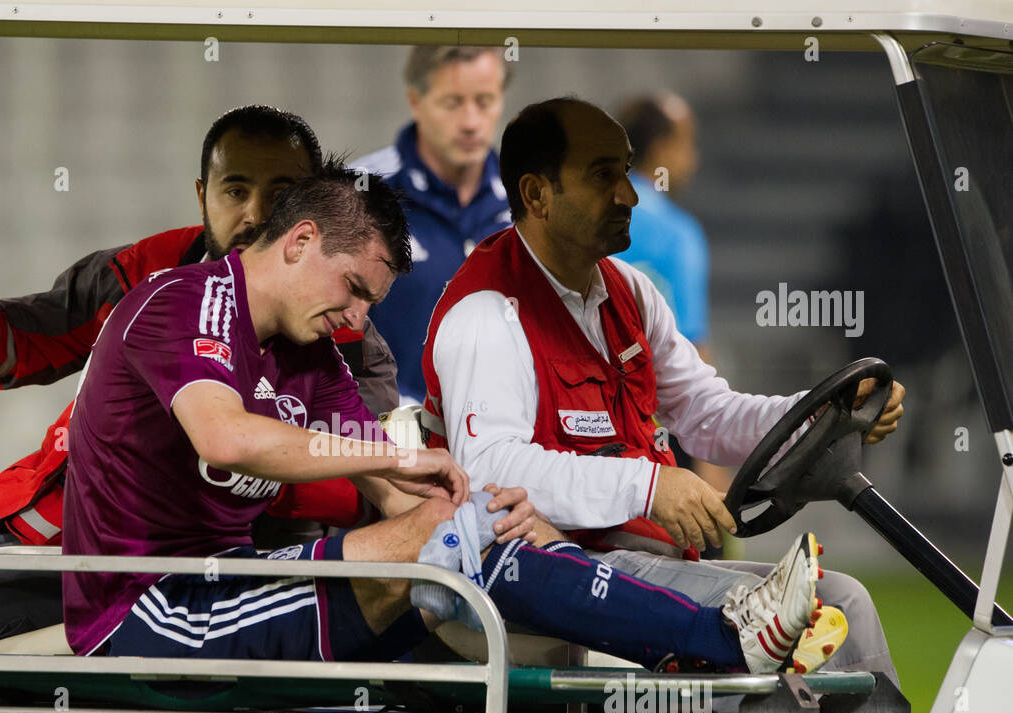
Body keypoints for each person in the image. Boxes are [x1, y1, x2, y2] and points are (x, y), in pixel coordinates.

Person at [64, 159, 835, 677]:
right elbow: (224, 437)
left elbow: (396, 493)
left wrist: (488, 511)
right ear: (300, 241)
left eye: (370, 302)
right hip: (151, 609)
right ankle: (724, 640)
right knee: (453, 537)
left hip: (227, 587)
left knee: (471, 528)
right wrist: (406, 469)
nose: (356, 317)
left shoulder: (311, 355)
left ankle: (717, 643)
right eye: (353, 288)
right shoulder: (188, 300)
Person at [0, 106, 395, 696]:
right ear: (202, 194)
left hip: (185, 559)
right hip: (45, 512)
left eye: (280, 189)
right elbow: (16, 351)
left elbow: (351, 481)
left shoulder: (337, 332)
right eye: (234, 189)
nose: (255, 211)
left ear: (308, 212)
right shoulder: (149, 271)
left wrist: (240, 464)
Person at [422, 97, 906, 680]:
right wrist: (649, 487)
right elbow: (490, 474)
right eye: (603, 176)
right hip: (571, 573)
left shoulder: (627, 292)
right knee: (833, 609)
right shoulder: (487, 313)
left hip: (642, 560)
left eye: (625, 171)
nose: (629, 195)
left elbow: (707, 412)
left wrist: (816, 414)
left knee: (845, 600)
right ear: (536, 195)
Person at [352, 46, 513, 401]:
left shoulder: (528, 199)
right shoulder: (361, 193)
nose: (471, 122)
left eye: (484, 101)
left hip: (505, 443)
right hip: (391, 439)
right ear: (415, 101)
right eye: (453, 103)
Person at [617, 93, 732, 524]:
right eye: (688, 144)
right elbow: (692, 343)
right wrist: (711, 453)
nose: (694, 159)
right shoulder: (677, 233)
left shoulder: (590, 219)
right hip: (661, 422)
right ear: (663, 149)